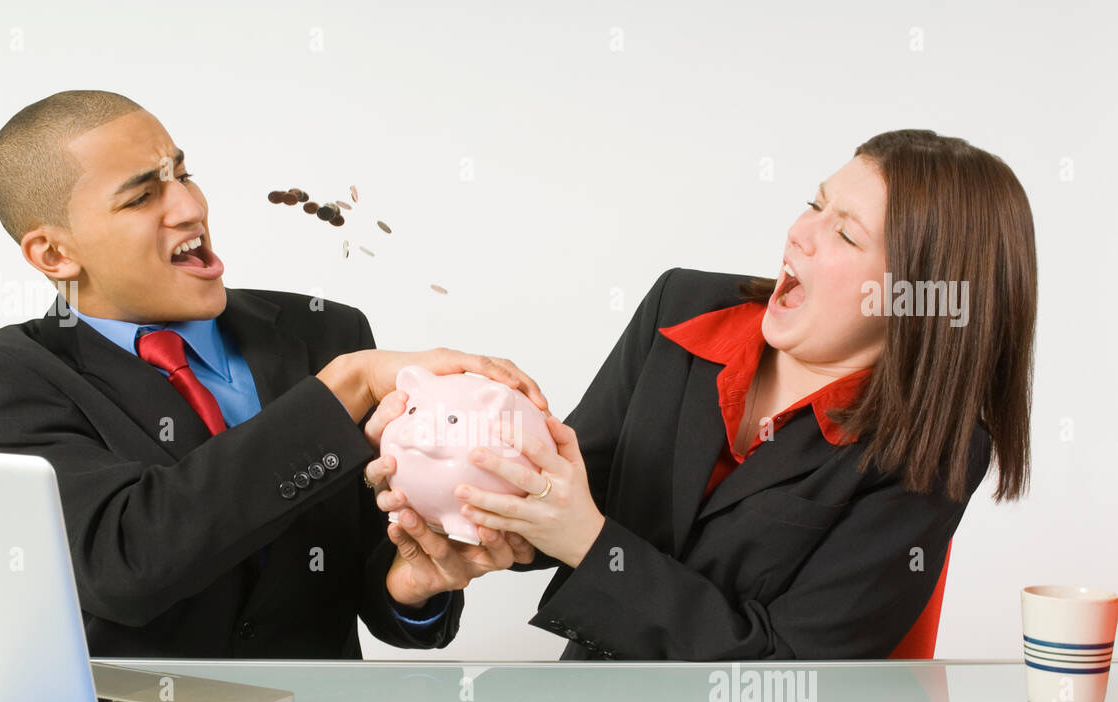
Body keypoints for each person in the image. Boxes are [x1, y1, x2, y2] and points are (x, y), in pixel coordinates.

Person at [367, 129, 1036, 660]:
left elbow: (793, 665)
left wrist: (591, 542)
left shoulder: (931, 452)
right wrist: (456, 486)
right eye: (814, 204)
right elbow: (570, 501)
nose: (799, 233)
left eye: (845, 232)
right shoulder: (681, 309)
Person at [0, 89, 542, 659]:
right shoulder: (1, 381)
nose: (190, 206)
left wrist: (413, 584)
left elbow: (372, 578)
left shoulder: (327, 333)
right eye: (142, 196)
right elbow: (125, 563)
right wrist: (343, 389)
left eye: (183, 174)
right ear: (55, 255)